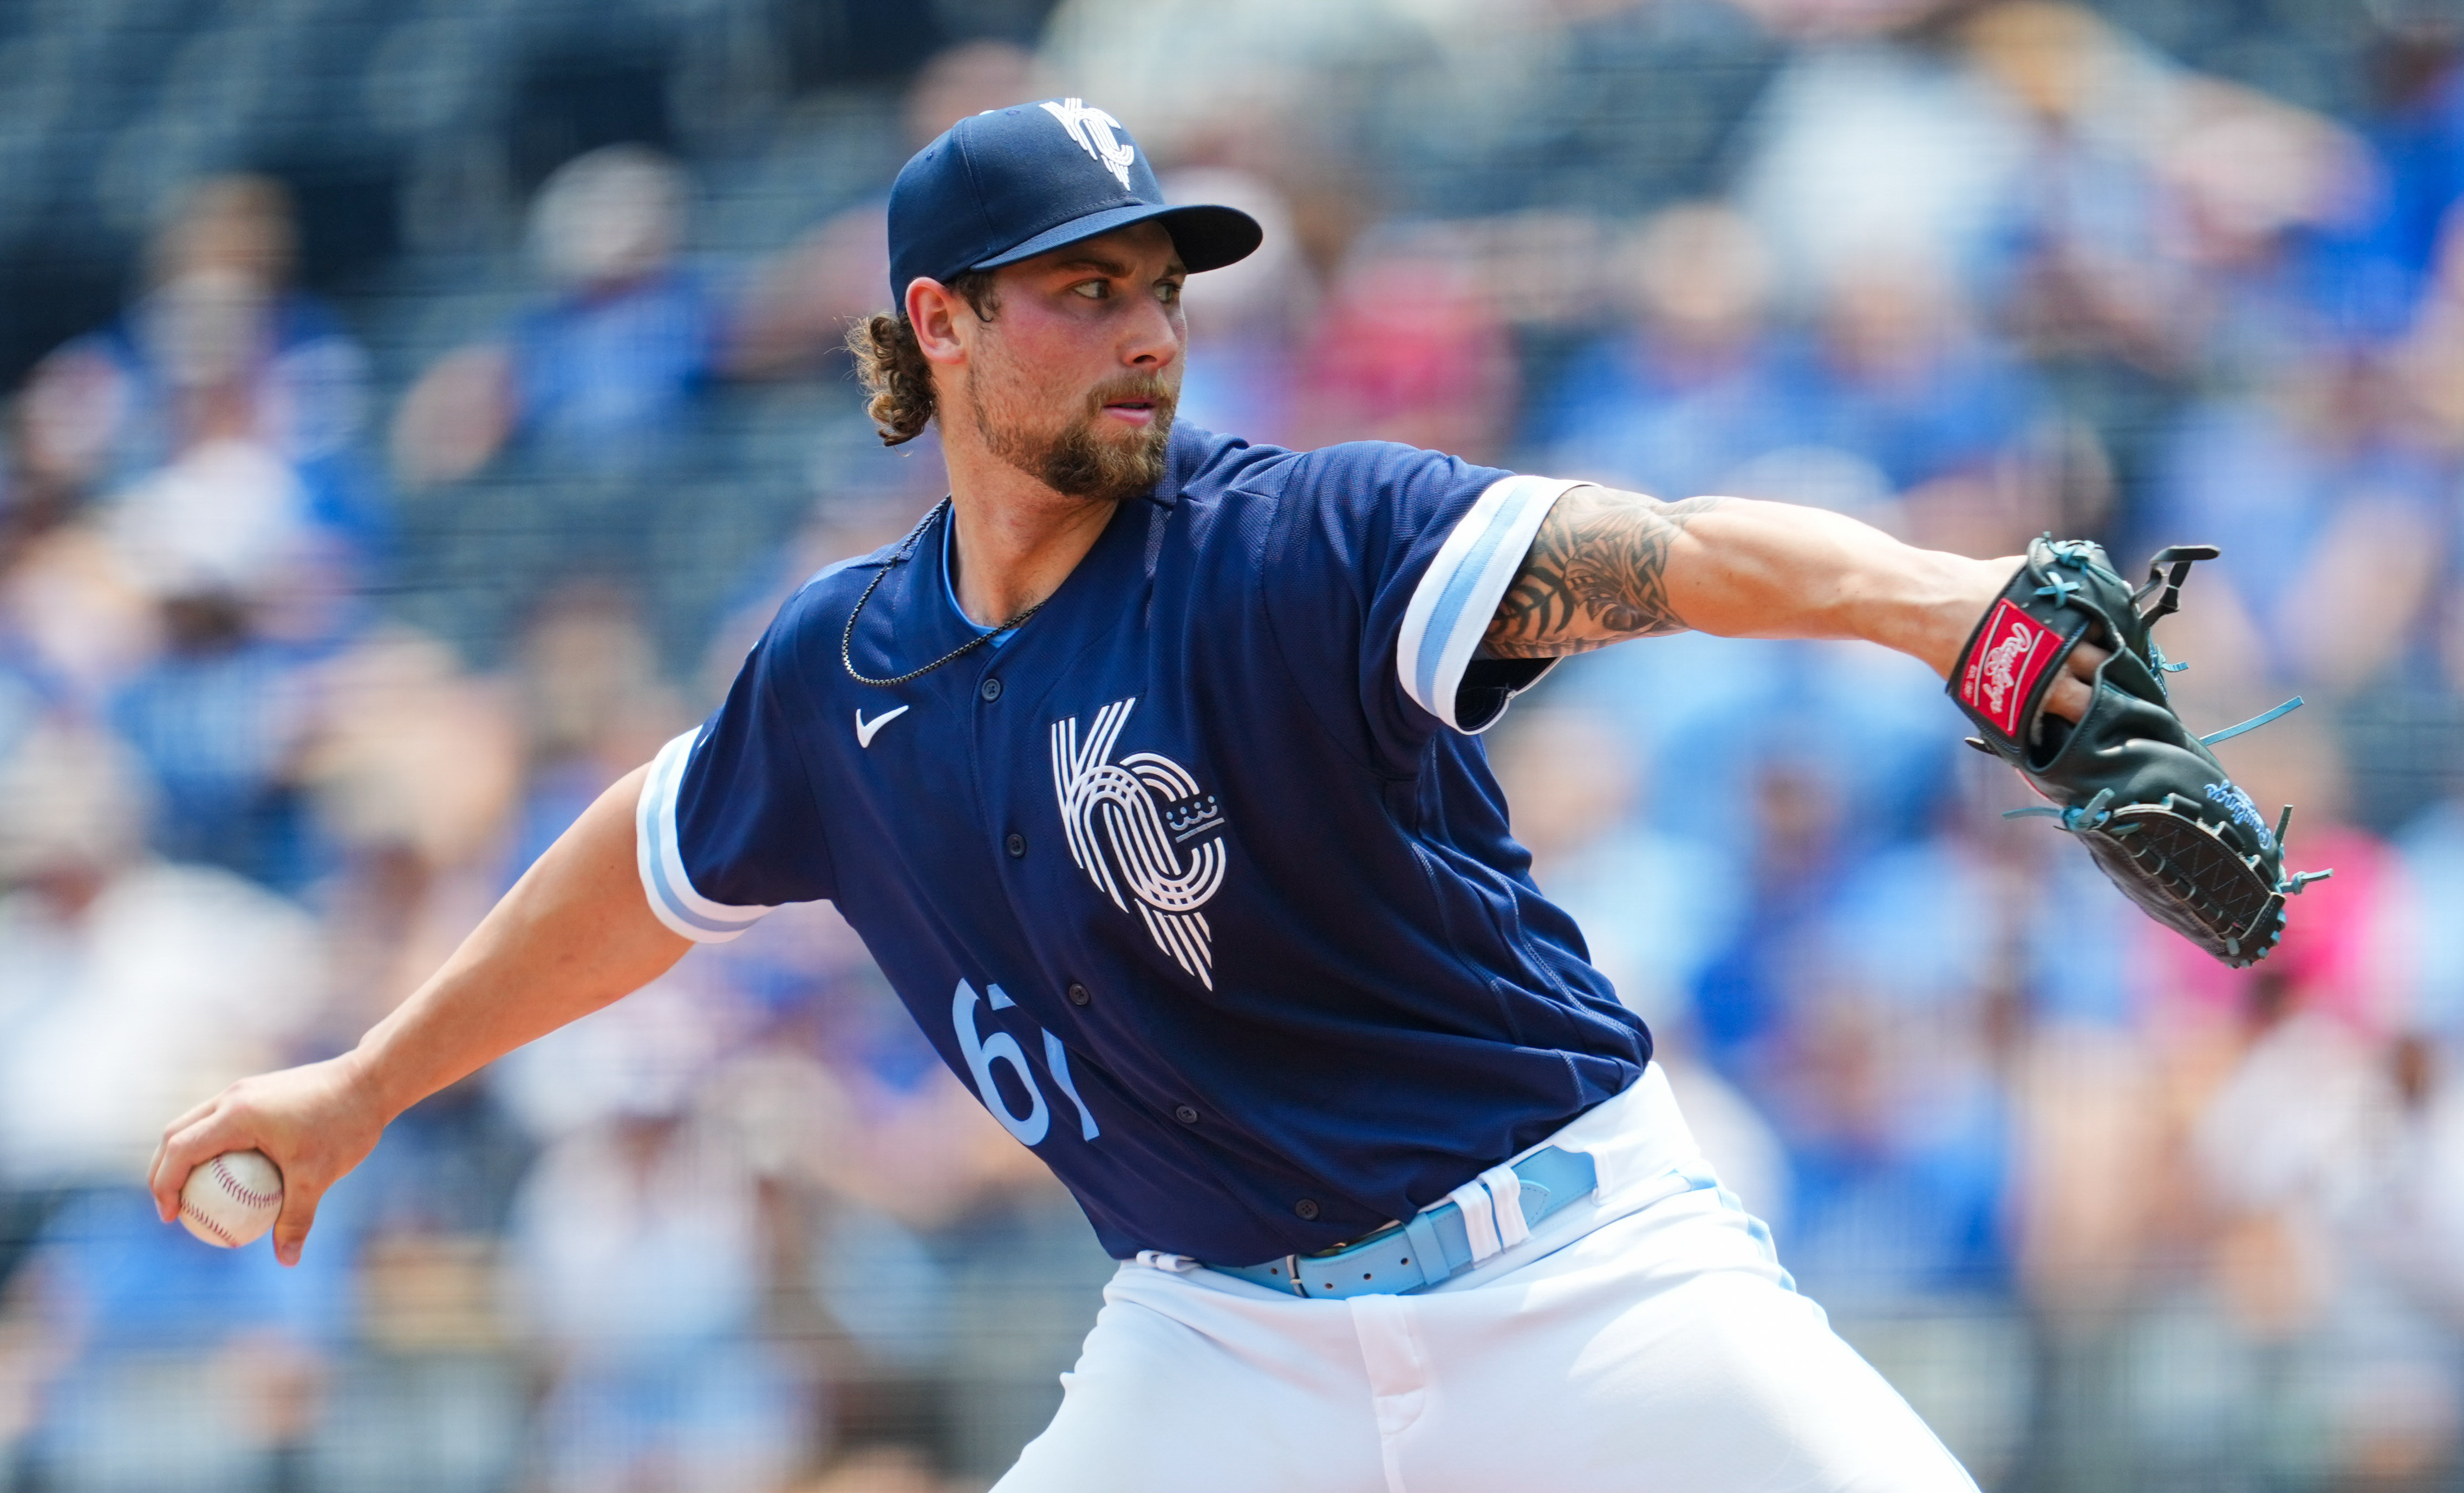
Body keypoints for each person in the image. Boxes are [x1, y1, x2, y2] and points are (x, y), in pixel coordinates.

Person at [153, 100, 2104, 1491]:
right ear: (942, 323)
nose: (1152, 327)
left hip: (1582, 1277)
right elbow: (643, 867)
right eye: (1080, 289)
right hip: (1221, 1345)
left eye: (1161, 283)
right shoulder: (845, 669)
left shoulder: (1302, 539)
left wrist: (1952, 612)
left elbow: (1668, 551)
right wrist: (363, 1085)